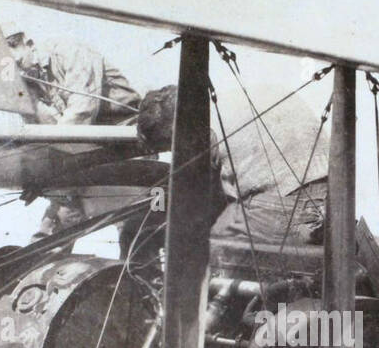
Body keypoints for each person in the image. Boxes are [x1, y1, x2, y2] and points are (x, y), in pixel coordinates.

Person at [134, 81, 331, 250]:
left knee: (206, 246)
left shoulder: (202, 132)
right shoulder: (231, 98)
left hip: (295, 210)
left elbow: (208, 207)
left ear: (174, 132)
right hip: (332, 198)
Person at [6, 30, 143, 240]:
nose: (17, 69)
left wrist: (48, 170)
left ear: (29, 44)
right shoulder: (25, 76)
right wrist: (35, 174)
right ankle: (44, 255)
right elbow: (39, 128)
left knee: (130, 217)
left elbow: (82, 111)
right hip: (84, 144)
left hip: (126, 139)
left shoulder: (72, 53)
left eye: (18, 59)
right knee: (61, 212)